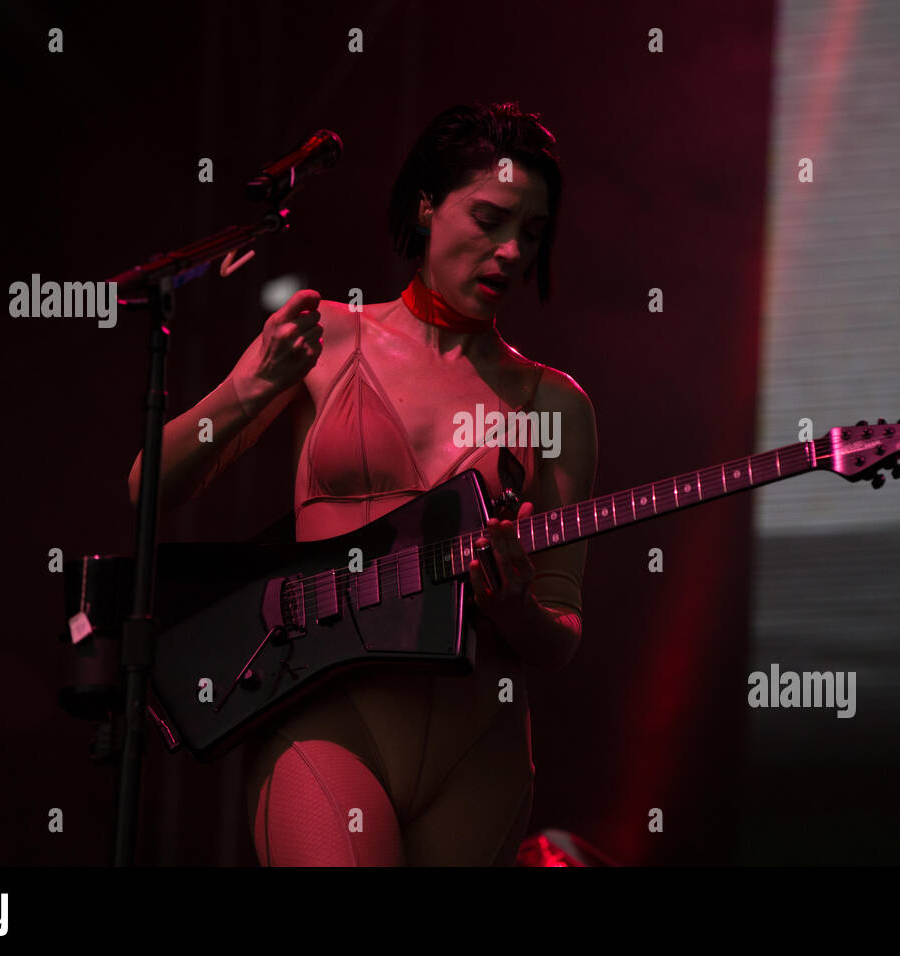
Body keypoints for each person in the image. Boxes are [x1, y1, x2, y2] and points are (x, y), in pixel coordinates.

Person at [127, 101, 597, 865]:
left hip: (478, 748)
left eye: (532, 233)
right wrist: (251, 389)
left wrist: (516, 609)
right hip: (328, 722)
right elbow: (150, 488)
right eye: (489, 218)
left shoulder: (556, 403)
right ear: (425, 206)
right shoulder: (330, 337)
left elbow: (562, 634)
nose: (511, 252)